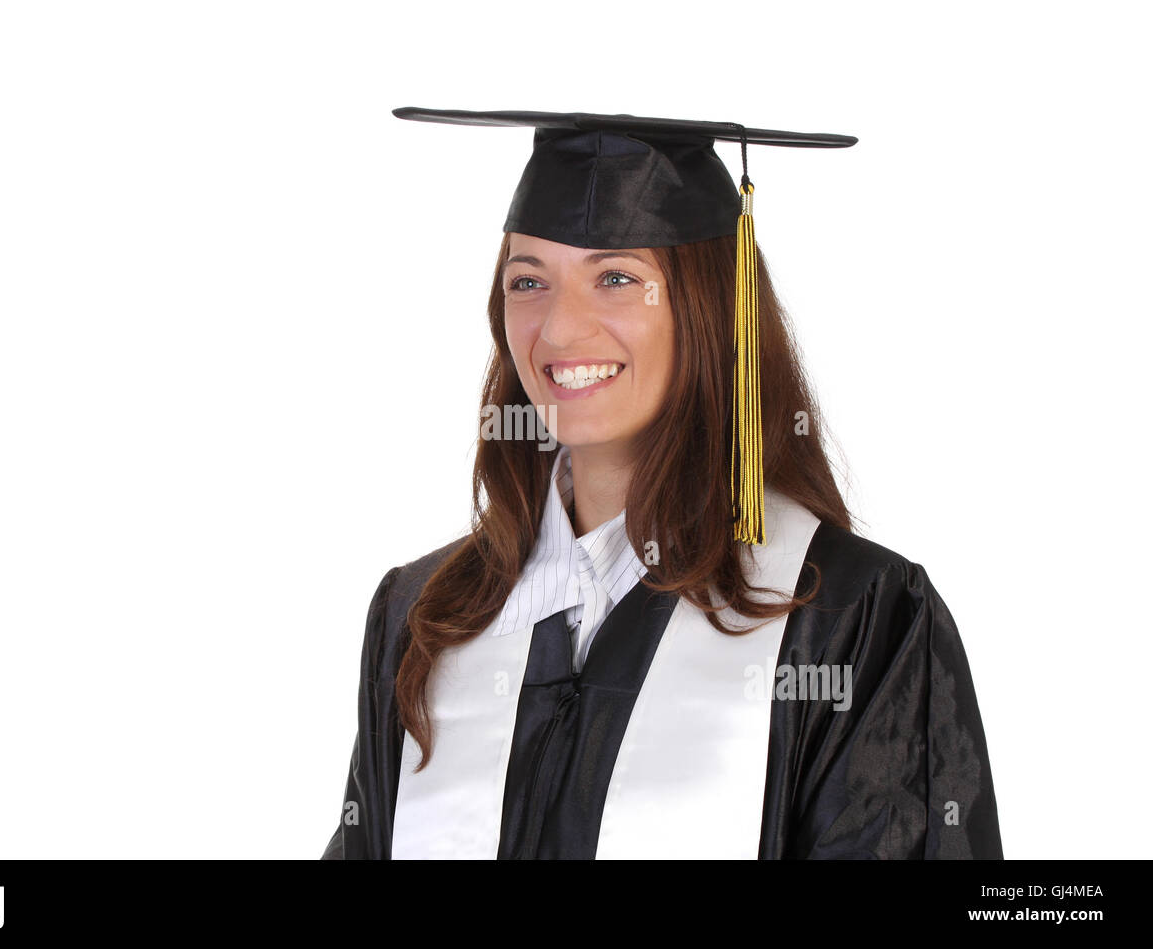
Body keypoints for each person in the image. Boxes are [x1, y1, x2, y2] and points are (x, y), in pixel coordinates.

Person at [322, 108, 1002, 859]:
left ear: (709, 307)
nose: (558, 331)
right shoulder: (427, 614)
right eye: (528, 280)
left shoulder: (852, 618)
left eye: (617, 278)